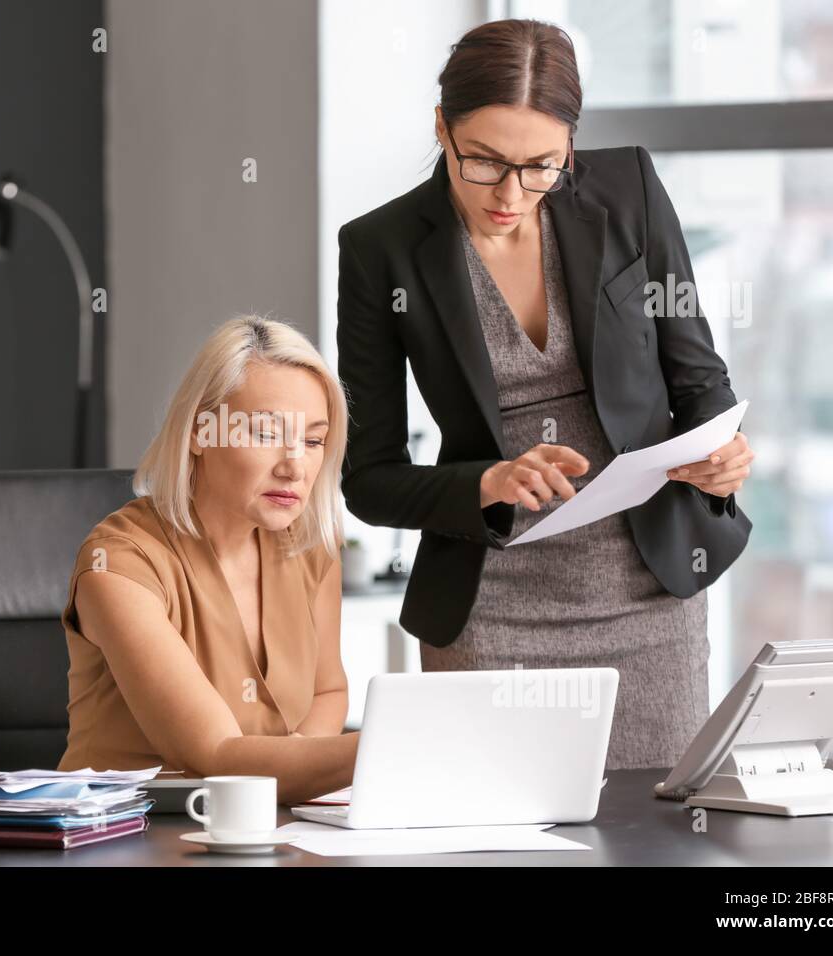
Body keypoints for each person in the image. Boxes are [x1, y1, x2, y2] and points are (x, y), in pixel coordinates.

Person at [335, 19, 754, 769]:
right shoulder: (381, 249)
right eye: (484, 162)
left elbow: (699, 381)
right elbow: (368, 479)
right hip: (489, 609)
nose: (510, 193)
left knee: (656, 837)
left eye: (542, 167)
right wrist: (486, 484)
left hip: (649, 597)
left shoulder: (629, 191)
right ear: (442, 127)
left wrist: (721, 454)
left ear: (570, 145)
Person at [58, 315, 358, 804]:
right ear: (201, 432)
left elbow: (327, 693)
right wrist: (385, 751)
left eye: (313, 440)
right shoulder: (117, 566)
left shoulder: (310, 546)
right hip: (124, 836)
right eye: (265, 434)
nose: (295, 466)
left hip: (261, 825)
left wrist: (304, 758)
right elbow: (215, 756)